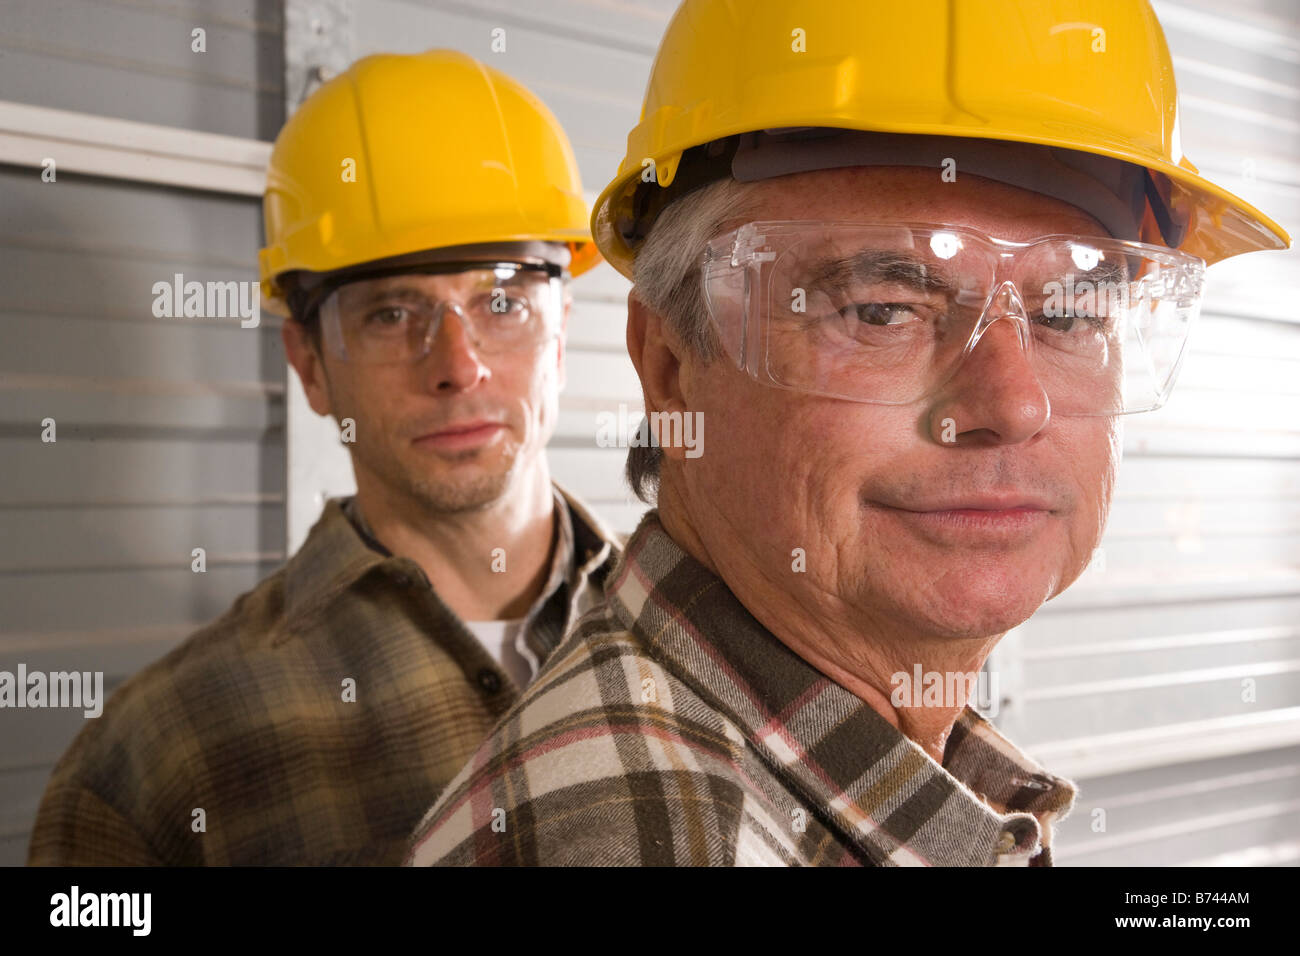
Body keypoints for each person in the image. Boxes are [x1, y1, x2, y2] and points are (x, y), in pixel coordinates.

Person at [406, 0, 1289, 866]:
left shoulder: (886, 765)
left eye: (1067, 312)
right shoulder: (649, 836)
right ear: (671, 364)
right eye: (883, 310)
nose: (1015, 406)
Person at [27, 49, 621, 865]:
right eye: (389, 314)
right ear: (308, 363)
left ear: (560, 336)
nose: (457, 364)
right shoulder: (154, 762)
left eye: (502, 298)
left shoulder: (713, 650)